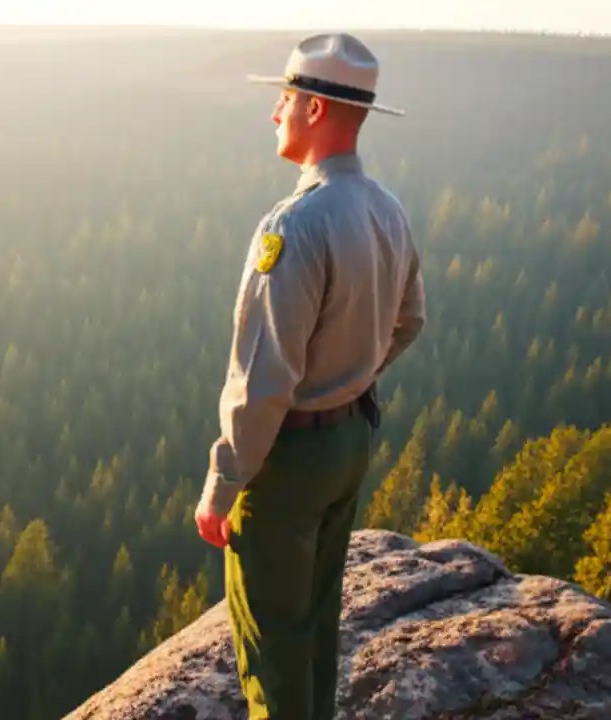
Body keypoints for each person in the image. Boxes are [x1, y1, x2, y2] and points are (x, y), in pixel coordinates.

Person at [193, 32, 426, 719]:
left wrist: (223, 482)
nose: (276, 115)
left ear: (316, 111)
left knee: (273, 642)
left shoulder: (295, 224)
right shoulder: (387, 208)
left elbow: (265, 378)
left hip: (289, 459)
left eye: (286, 100)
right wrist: (349, 375)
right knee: (318, 618)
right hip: (351, 439)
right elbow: (409, 321)